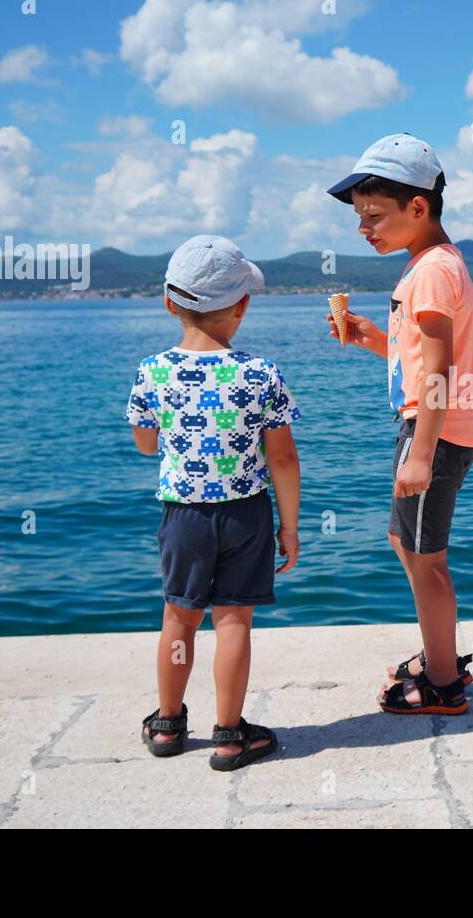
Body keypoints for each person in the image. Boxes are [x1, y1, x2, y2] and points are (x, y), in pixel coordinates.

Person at [326, 133, 473, 715]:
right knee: (408, 541)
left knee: (425, 557)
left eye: (374, 216)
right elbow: (420, 355)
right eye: (359, 218)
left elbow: (441, 366)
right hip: (434, 426)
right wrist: (370, 336)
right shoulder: (435, 266)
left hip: (433, 429)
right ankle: (438, 652)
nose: (364, 228)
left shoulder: (429, 272)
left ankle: (443, 683)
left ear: (417, 207)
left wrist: (421, 451)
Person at [127, 235, 301, 769]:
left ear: (168, 303)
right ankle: (229, 736)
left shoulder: (153, 371)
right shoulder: (260, 373)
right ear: (243, 304)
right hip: (245, 512)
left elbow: (146, 441)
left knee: (178, 620)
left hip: (183, 516)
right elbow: (284, 461)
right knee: (233, 623)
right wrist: (288, 529)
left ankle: (167, 725)